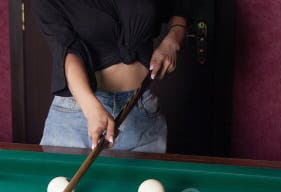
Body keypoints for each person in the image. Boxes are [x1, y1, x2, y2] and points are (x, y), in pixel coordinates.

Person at [35, 1, 189, 153]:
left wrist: (172, 39)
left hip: (142, 111)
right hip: (80, 114)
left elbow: (178, 9)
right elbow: (67, 52)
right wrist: (90, 107)